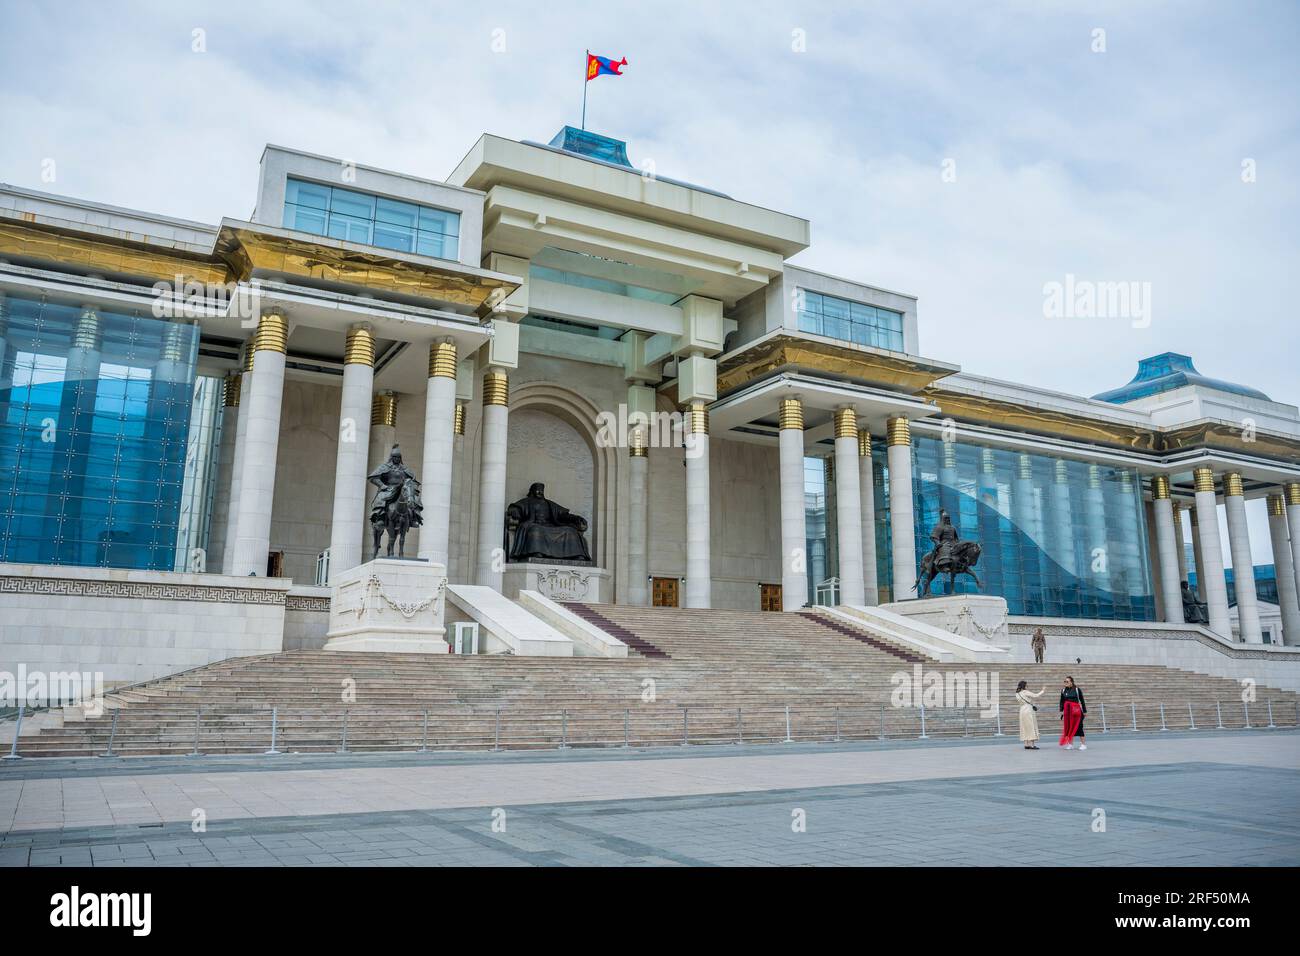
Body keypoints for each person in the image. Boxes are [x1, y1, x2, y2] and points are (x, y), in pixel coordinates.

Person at [1059, 675, 1088, 750]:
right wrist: (1061, 710)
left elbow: (1082, 700)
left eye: (1067, 681)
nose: (1065, 682)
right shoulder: (1063, 690)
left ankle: (1083, 744)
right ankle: (1070, 744)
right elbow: (1062, 701)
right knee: (1069, 727)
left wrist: (1084, 711)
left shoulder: (1077, 689)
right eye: (1064, 681)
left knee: (1079, 727)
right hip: (1068, 712)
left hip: (1076, 711)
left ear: (1071, 682)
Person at [1015, 680, 1045, 750]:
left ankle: (1026, 744)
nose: (1027, 686)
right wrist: (1042, 690)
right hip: (1028, 710)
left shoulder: (1017, 694)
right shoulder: (1025, 692)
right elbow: (1036, 695)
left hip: (1022, 710)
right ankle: (1032, 745)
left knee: (1024, 727)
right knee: (1031, 726)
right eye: (1026, 685)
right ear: (1024, 686)